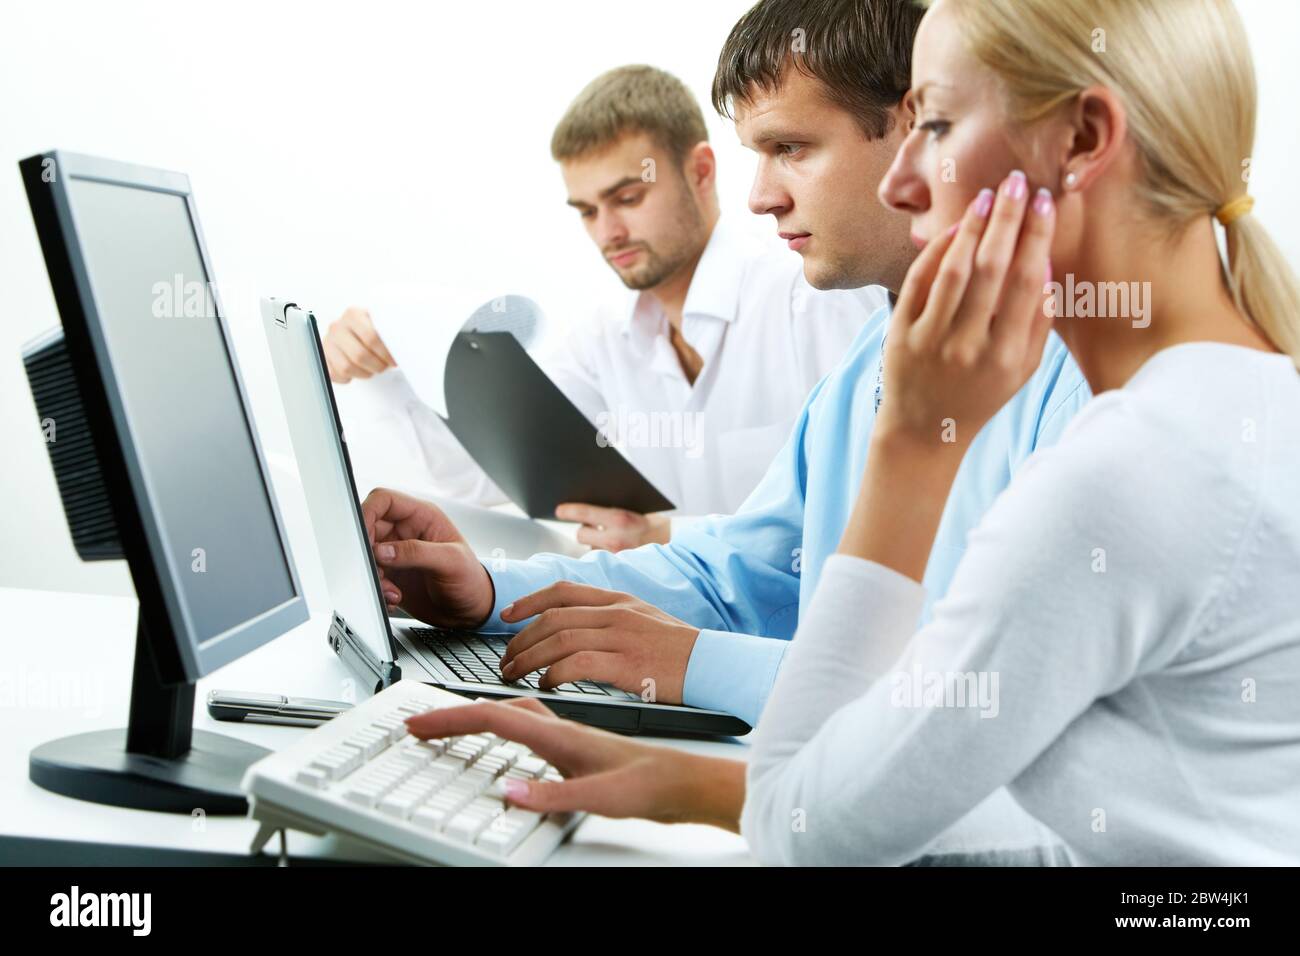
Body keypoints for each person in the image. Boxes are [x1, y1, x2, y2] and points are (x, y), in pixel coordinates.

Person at [407, 0, 1300, 866]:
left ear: (1081, 141)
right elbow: (756, 575)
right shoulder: (902, 361)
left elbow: (841, 816)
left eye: (937, 126)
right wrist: (499, 593)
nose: (909, 183)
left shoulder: (1127, 460)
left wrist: (913, 449)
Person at [363, 0, 1088, 731]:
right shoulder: (867, 364)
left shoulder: (1079, 374)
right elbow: (736, 573)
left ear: (915, 133)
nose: (762, 197)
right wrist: (493, 592)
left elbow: (992, 699)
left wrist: (692, 664)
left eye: (792, 148)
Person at [324, 64, 884, 551]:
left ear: (701, 172)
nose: (609, 233)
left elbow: (867, 517)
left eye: (628, 198)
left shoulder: (819, 298)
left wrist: (667, 537)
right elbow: (483, 477)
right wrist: (384, 374)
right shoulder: (601, 343)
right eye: (587, 211)